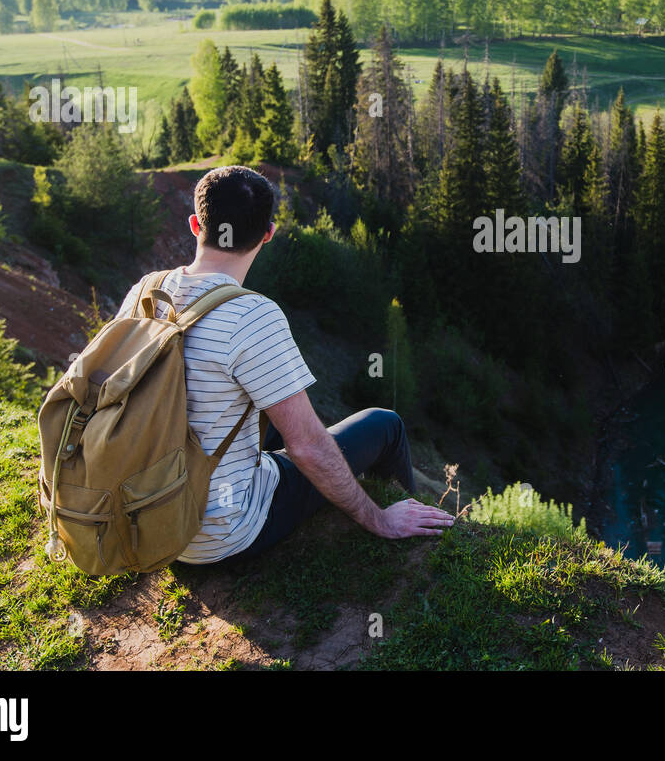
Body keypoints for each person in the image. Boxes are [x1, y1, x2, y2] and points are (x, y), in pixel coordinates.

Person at [112, 165, 452, 564]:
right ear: (268, 234)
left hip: (148, 515)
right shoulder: (252, 315)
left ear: (194, 224)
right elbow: (306, 447)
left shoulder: (146, 290)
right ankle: (403, 529)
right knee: (385, 425)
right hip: (218, 537)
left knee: (267, 410)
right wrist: (377, 520)